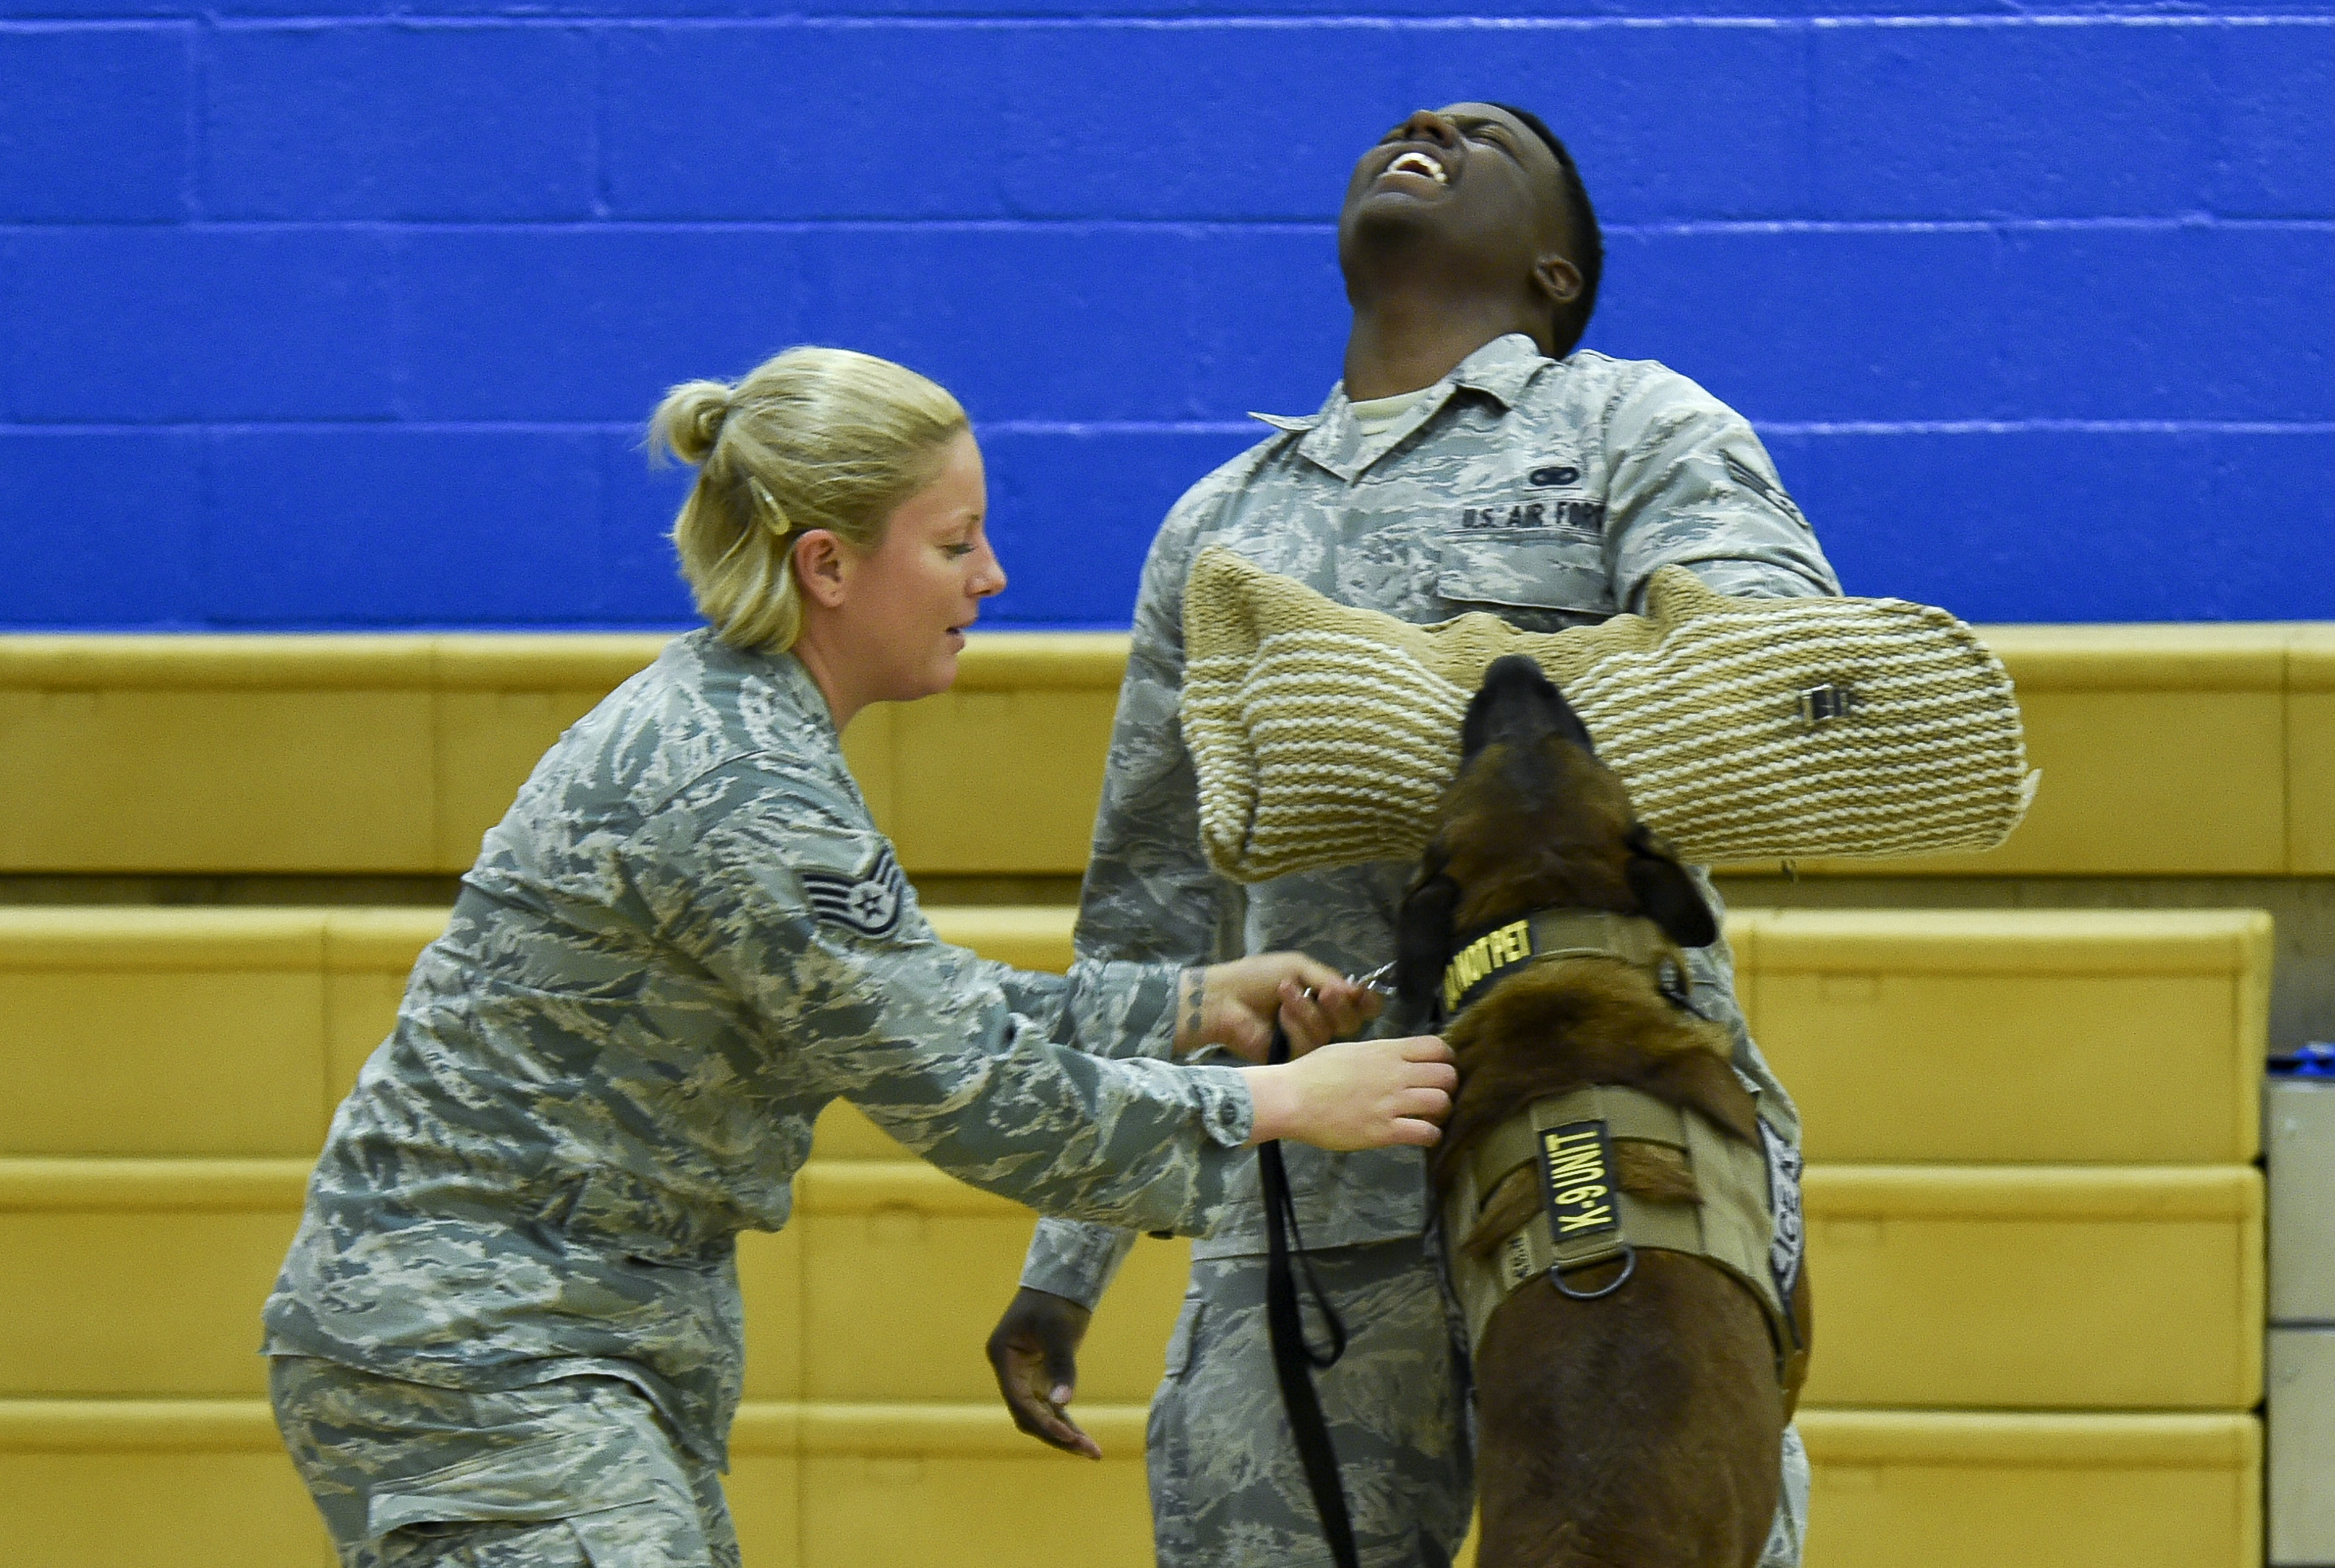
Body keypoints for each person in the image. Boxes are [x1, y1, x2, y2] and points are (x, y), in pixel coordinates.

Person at [259, 345, 1460, 1568]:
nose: (991, 575)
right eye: (954, 543)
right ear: (826, 566)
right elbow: (972, 1091)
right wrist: (1284, 1102)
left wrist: (1192, 1001)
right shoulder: (741, 785)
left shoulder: (741, 726)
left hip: (547, 1334)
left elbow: (925, 1004)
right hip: (480, 1345)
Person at [984, 104, 1840, 1567]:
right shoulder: (1219, 524)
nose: (1428, 126)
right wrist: (1069, 1252)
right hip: (1316, 1197)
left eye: (1489, 140)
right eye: (1410, 122)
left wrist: (1427, 700)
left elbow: (1767, 671)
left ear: (1556, 273)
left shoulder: (1634, 426)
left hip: (1615, 1150)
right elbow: (1152, 913)